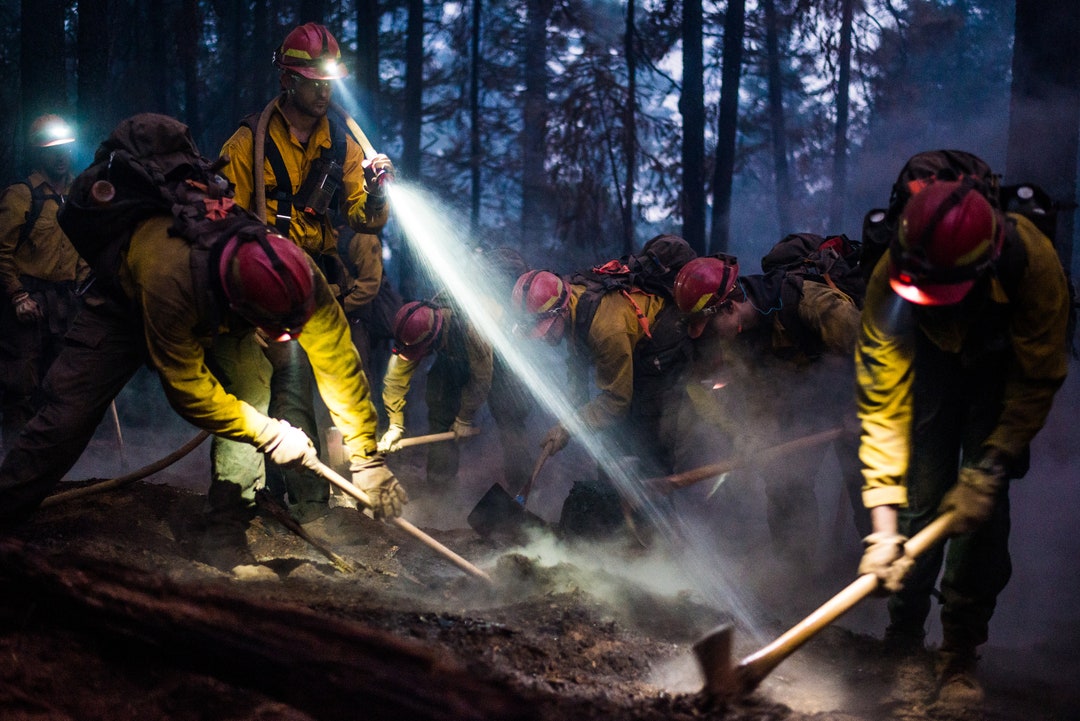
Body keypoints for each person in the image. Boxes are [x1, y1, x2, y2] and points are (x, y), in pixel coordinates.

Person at [0, 114, 407, 574]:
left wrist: (366, 457)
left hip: (217, 307)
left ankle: (224, 537)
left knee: (253, 389)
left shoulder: (296, 274)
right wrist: (268, 432)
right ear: (241, 301)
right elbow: (186, 386)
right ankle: (8, 508)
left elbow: (339, 364)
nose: (282, 341)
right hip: (123, 303)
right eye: (274, 330)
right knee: (65, 417)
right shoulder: (168, 275)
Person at [854, 178, 1069, 707]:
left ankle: (958, 654)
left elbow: (1036, 380)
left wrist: (991, 466)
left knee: (982, 523)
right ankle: (903, 644)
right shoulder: (889, 278)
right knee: (919, 500)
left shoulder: (1034, 267)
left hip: (998, 374)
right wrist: (882, 529)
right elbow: (881, 406)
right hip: (927, 365)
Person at [219, 22, 396, 523]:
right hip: (267, 275)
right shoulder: (248, 142)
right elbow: (222, 217)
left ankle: (311, 480)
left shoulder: (343, 145)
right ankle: (308, 504)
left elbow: (365, 218)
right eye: (312, 80)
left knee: (339, 381)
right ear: (287, 81)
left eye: (328, 81)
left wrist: (378, 188)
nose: (323, 91)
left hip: (317, 277)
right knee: (291, 380)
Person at [674, 250, 871, 581]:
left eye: (710, 327)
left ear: (729, 306)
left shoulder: (812, 303)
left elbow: (876, 357)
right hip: (808, 403)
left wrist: (864, 411)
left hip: (856, 401)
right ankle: (797, 580)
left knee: (869, 491)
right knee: (784, 487)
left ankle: (880, 586)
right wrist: (753, 435)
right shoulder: (737, 340)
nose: (711, 338)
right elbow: (758, 393)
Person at [510, 256, 691, 539]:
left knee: (645, 443)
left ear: (559, 311)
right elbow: (576, 366)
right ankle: (612, 528)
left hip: (659, 349)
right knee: (609, 448)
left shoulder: (607, 329)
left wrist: (568, 427)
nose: (543, 339)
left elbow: (617, 402)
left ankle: (659, 537)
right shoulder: (570, 304)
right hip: (632, 349)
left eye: (544, 332)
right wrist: (567, 420)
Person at [0, 114, 88, 448]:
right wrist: (17, 294)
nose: (60, 155)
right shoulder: (21, 196)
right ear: (38, 154)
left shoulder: (77, 196)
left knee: (59, 384)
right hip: (28, 300)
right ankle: (13, 467)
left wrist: (85, 287)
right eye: (51, 149)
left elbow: (85, 248)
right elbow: (1, 251)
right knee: (20, 385)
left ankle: (51, 466)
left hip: (66, 302)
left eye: (65, 147)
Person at [378, 297, 493, 491]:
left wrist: (465, 418)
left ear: (433, 339)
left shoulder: (473, 330)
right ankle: (439, 487)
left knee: (510, 411)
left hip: (496, 358)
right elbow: (395, 379)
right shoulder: (416, 327)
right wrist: (395, 424)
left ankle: (518, 477)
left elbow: (482, 378)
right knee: (440, 407)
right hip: (452, 356)